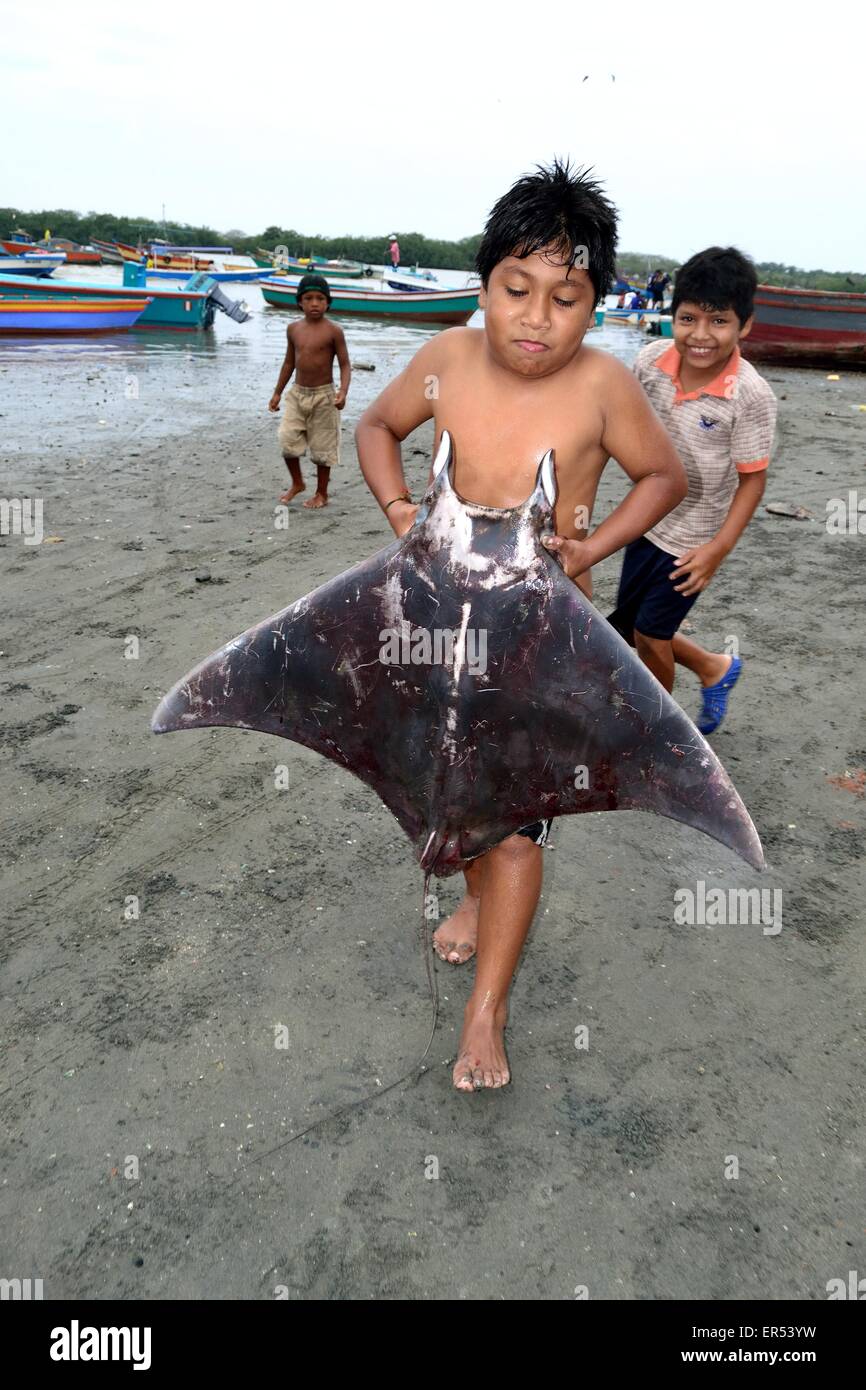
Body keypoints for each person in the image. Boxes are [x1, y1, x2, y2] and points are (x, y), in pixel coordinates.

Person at [355, 160, 687, 1092]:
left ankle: (487, 1008)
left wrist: (589, 552)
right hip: (435, 632)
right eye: (516, 290)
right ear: (484, 285)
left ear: (597, 307)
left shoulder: (604, 387)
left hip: (538, 648)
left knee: (517, 831)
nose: (537, 318)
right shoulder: (444, 363)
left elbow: (666, 478)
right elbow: (376, 429)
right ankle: (470, 908)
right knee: (452, 796)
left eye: (566, 298)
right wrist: (397, 517)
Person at [608, 246, 777, 731]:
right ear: (672, 314)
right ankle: (714, 667)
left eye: (719, 321)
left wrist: (717, 550)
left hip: (693, 541)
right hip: (645, 519)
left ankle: (660, 731)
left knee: (649, 633)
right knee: (629, 627)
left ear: (744, 325)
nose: (700, 335)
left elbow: (752, 480)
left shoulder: (750, 394)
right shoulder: (648, 362)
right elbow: (621, 428)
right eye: (688, 318)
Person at [268, 273, 351, 510]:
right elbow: (288, 363)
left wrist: (343, 391)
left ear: (328, 302)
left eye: (320, 298)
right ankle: (297, 482)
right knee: (287, 439)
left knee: (323, 447)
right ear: (300, 302)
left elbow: (345, 364)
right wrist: (276, 393)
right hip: (297, 394)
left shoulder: (334, 331)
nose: (314, 303)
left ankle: (321, 493)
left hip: (325, 397)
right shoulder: (293, 329)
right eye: (308, 298)